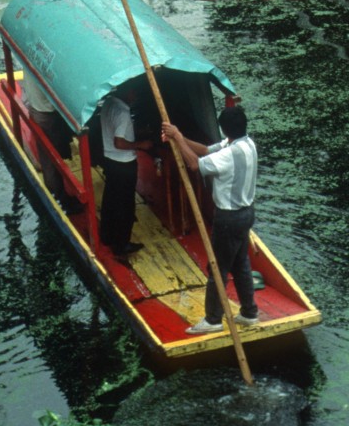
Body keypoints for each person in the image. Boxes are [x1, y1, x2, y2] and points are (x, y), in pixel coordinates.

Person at [162, 104, 260, 333]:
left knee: (217, 267)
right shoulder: (247, 144)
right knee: (241, 263)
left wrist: (176, 136)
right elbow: (205, 151)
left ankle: (213, 319)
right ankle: (249, 312)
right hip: (247, 214)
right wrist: (179, 138)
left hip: (229, 218)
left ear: (225, 130)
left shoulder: (227, 155)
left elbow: (196, 164)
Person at [97, 84, 152, 262]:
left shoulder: (108, 103)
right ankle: (121, 245)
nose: (135, 95)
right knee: (125, 205)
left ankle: (106, 235)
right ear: (128, 91)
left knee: (111, 199)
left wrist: (137, 133)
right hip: (123, 163)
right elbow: (119, 142)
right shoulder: (123, 113)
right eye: (134, 91)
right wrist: (140, 145)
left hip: (110, 161)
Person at [20, 72, 80, 216]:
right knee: (50, 154)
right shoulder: (47, 73)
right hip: (46, 113)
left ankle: (57, 188)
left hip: (38, 109)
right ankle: (58, 196)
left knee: (51, 149)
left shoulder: (31, 63)